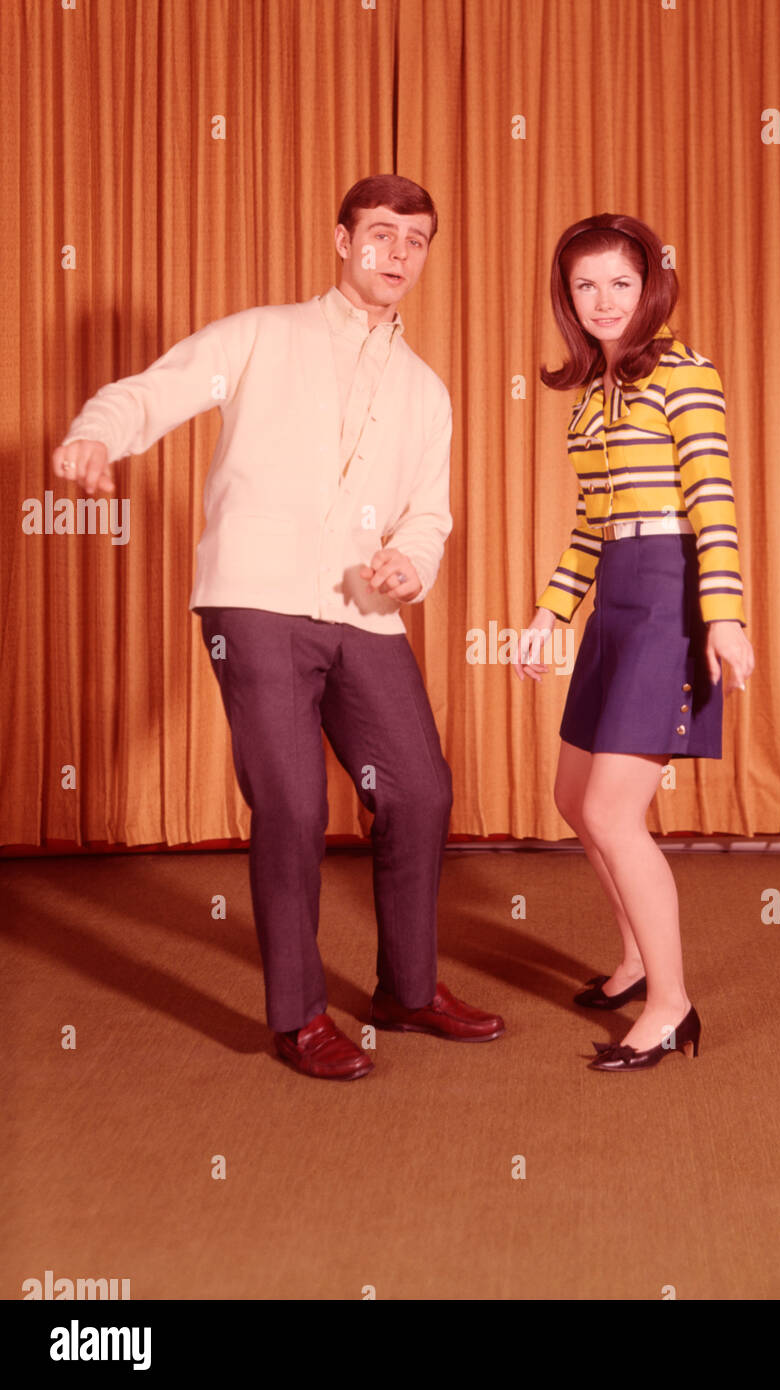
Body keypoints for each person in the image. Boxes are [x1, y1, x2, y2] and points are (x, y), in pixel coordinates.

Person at [53, 174, 504, 1080]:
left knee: (419, 791)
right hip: (254, 601)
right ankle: (298, 1018)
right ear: (343, 240)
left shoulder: (426, 390)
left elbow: (429, 513)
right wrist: (96, 434)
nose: (398, 255)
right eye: (381, 234)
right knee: (293, 804)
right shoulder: (262, 334)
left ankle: (407, 992)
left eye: (416, 241)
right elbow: (151, 392)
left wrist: (410, 564)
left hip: (363, 611)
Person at [514, 213, 754, 1073]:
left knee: (617, 812)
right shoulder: (589, 395)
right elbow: (590, 522)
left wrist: (722, 614)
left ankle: (672, 1002)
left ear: (649, 284)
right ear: (566, 297)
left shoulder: (684, 372)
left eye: (620, 282)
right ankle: (635, 959)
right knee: (574, 798)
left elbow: (712, 497)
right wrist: (551, 610)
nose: (603, 301)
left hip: (667, 593)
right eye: (585, 285)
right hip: (614, 592)